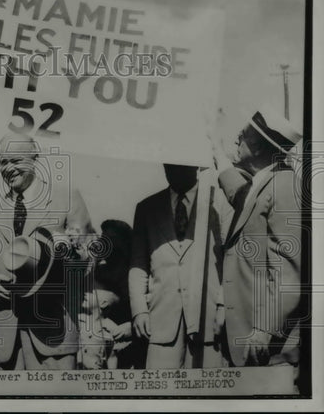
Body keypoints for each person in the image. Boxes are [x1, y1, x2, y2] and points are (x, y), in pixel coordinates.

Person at [0, 132, 94, 370]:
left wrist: (70, 252)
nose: (9, 168)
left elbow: (88, 261)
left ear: (34, 157)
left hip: (54, 333)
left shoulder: (66, 198)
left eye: (16, 160)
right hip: (6, 338)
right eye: (3, 162)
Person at [210, 108, 302, 369]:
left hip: (267, 345)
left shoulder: (285, 187)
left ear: (258, 147)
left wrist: (264, 329)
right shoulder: (262, 183)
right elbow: (238, 197)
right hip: (249, 339)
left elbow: (289, 275)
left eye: (241, 136)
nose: (236, 141)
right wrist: (217, 150)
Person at [129, 164, 226, 369]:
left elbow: (230, 259)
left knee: (207, 394)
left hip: (208, 323)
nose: (174, 168)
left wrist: (223, 305)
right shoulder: (147, 208)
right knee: (159, 395)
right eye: (168, 163)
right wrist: (139, 310)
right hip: (161, 324)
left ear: (196, 165)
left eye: (181, 163)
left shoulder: (219, 202)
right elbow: (138, 264)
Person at [78, 220, 139, 369]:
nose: (103, 242)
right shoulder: (99, 271)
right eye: (103, 237)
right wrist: (93, 260)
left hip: (130, 342)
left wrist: (131, 327)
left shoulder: (135, 273)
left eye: (111, 238)